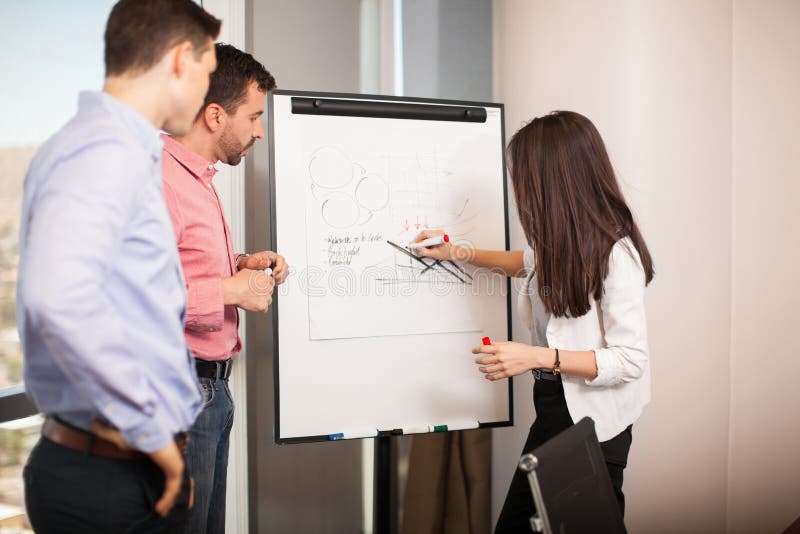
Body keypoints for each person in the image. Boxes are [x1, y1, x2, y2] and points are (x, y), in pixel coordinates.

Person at [16, 1, 221, 532]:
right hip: (108, 476)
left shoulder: (111, 148)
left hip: (126, 467)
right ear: (180, 59)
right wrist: (154, 432)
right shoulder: (103, 152)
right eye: (208, 71)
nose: (206, 91)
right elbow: (59, 299)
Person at [415, 111, 653, 533]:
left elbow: (630, 360)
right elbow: (522, 263)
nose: (520, 192)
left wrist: (535, 357)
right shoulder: (560, 243)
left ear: (553, 182)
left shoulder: (616, 255)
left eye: (524, 180)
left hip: (593, 426)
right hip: (555, 411)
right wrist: (456, 252)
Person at [160, 42, 287, 534]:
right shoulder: (160, 180)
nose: (259, 130)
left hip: (208, 392)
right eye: (253, 116)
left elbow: (177, 264)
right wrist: (232, 291)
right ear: (215, 114)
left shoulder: (196, 179)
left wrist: (240, 264)